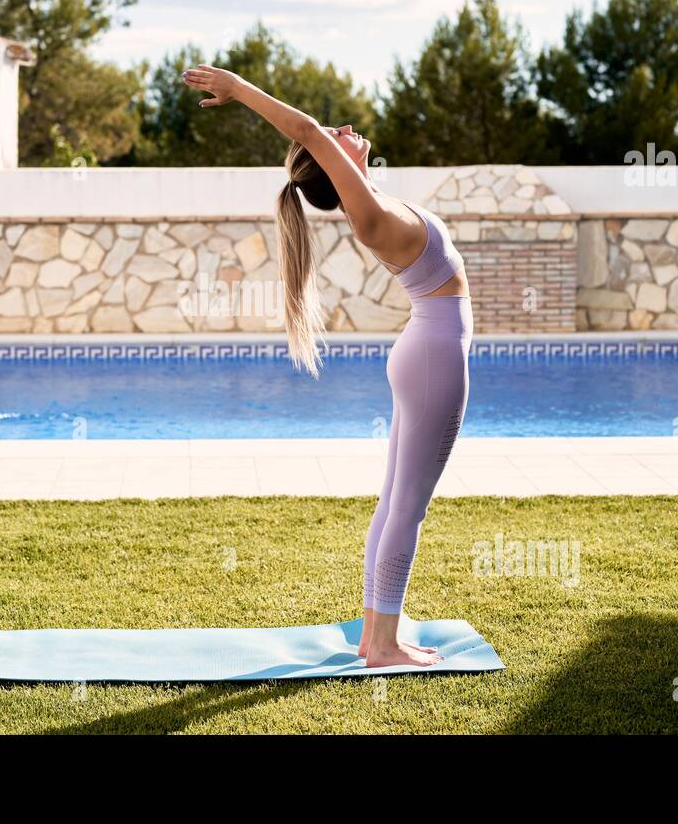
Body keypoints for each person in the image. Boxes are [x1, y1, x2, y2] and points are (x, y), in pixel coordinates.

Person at [181, 65, 473, 668]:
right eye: (333, 136)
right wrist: (238, 91)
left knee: (396, 500)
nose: (342, 127)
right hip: (434, 357)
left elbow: (318, 137)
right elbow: (309, 131)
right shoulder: (366, 213)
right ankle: (384, 646)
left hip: (426, 350)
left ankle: (375, 636)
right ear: (331, 167)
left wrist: (327, 149)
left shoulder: (375, 203)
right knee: (408, 506)